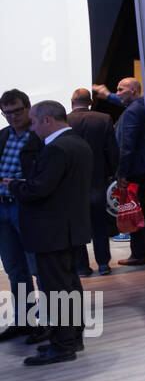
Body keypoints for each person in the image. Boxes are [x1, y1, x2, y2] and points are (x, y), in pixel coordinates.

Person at [3, 101, 92, 365]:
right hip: (67, 229)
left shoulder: (56, 149)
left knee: (57, 290)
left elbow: (39, 189)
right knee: (69, 286)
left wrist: (14, 186)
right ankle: (72, 338)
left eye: (32, 121)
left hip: (51, 231)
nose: (31, 127)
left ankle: (63, 346)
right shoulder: (78, 143)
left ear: (46, 120)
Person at [93, 78, 145, 265]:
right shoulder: (143, 104)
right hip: (144, 168)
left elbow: (126, 147)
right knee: (144, 209)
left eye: (121, 90)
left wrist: (121, 173)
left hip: (133, 170)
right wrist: (107, 95)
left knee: (133, 211)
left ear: (134, 91)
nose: (118, 93)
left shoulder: (131, 113)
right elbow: (124, 99)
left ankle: (138, 254)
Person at [0, 90, 43, 342]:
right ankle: (25, 320)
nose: (12, 117)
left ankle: (50, 324)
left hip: (25, 206)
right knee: (15, 269)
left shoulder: (39, 136)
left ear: (28, 107)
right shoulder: (3, 136)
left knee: (38, 266)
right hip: (2, 209)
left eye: (17, 111)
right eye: (7, 113)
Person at [67, 89, 119, 275]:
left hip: (71, 182)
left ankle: (82, 267)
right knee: (99, 224)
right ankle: (103, 264)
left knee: (77, 225)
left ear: (72, 101)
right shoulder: (104, 119)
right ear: (90, 101)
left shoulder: (64, 120)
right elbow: (112, 151)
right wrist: (113, 173)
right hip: (97, 178)